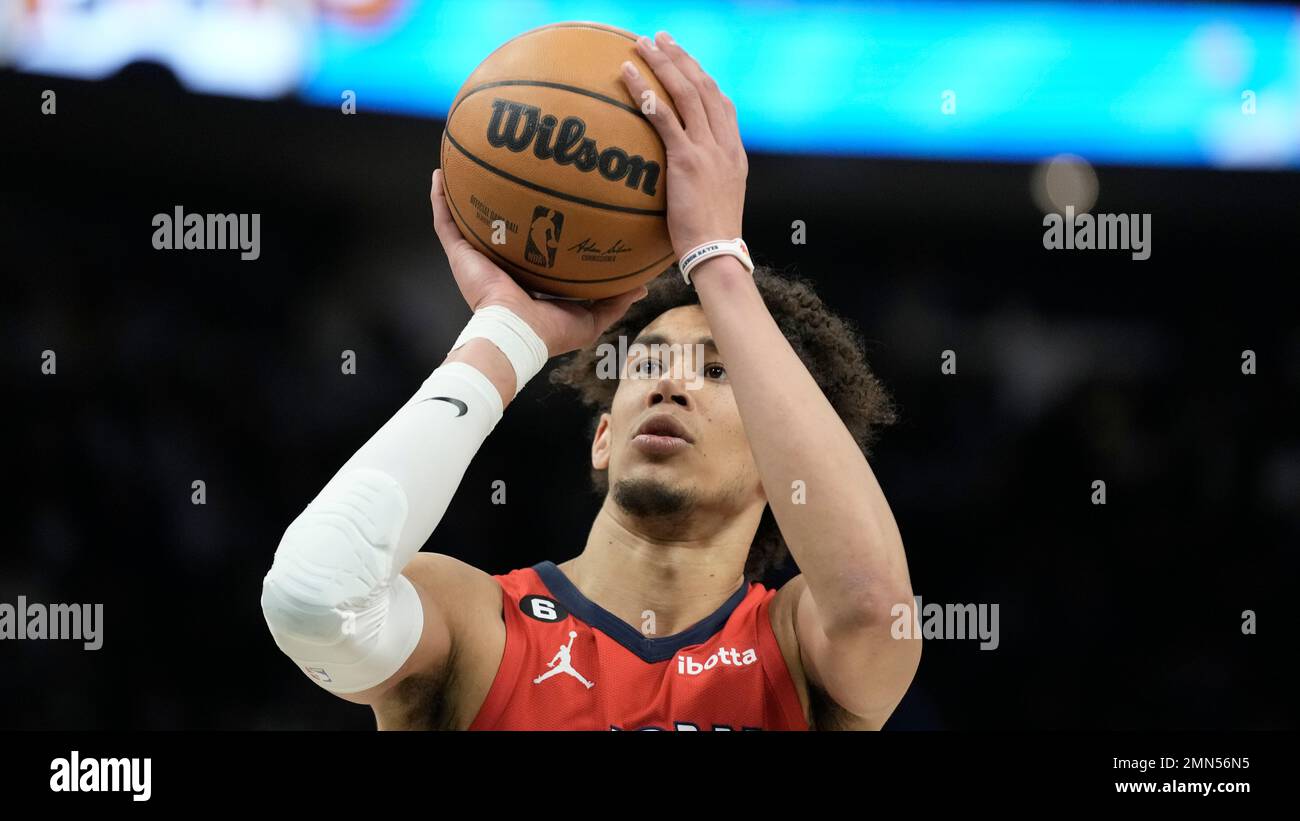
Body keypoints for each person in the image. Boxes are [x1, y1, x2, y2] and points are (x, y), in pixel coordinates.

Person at [260, 30, 921, 730]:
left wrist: (717, 258)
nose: (671, 385)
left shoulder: (798, 652)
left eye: (717, 371)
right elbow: (312, 600)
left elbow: (875, 606)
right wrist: (508, 330)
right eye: (648, 362)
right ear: (603, 436)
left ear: (779, 449)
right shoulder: (479, 626)